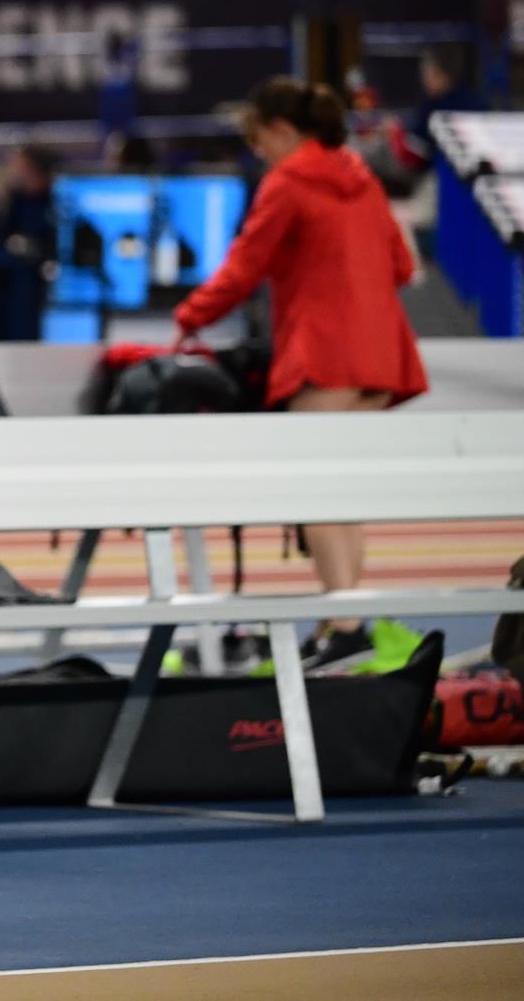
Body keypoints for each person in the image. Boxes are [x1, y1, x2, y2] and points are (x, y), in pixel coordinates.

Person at [175, 77, 427, 668]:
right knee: (343, 494)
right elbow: (400, 263)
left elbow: (243, 268)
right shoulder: (361, 177)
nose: (256, 151)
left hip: (324, 354)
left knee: (316, 492)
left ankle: (344, 627)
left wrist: (189, 316)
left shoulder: (287, 182)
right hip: (381, 355)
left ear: (283, 130)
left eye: (257, 138)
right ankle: (341, 622)